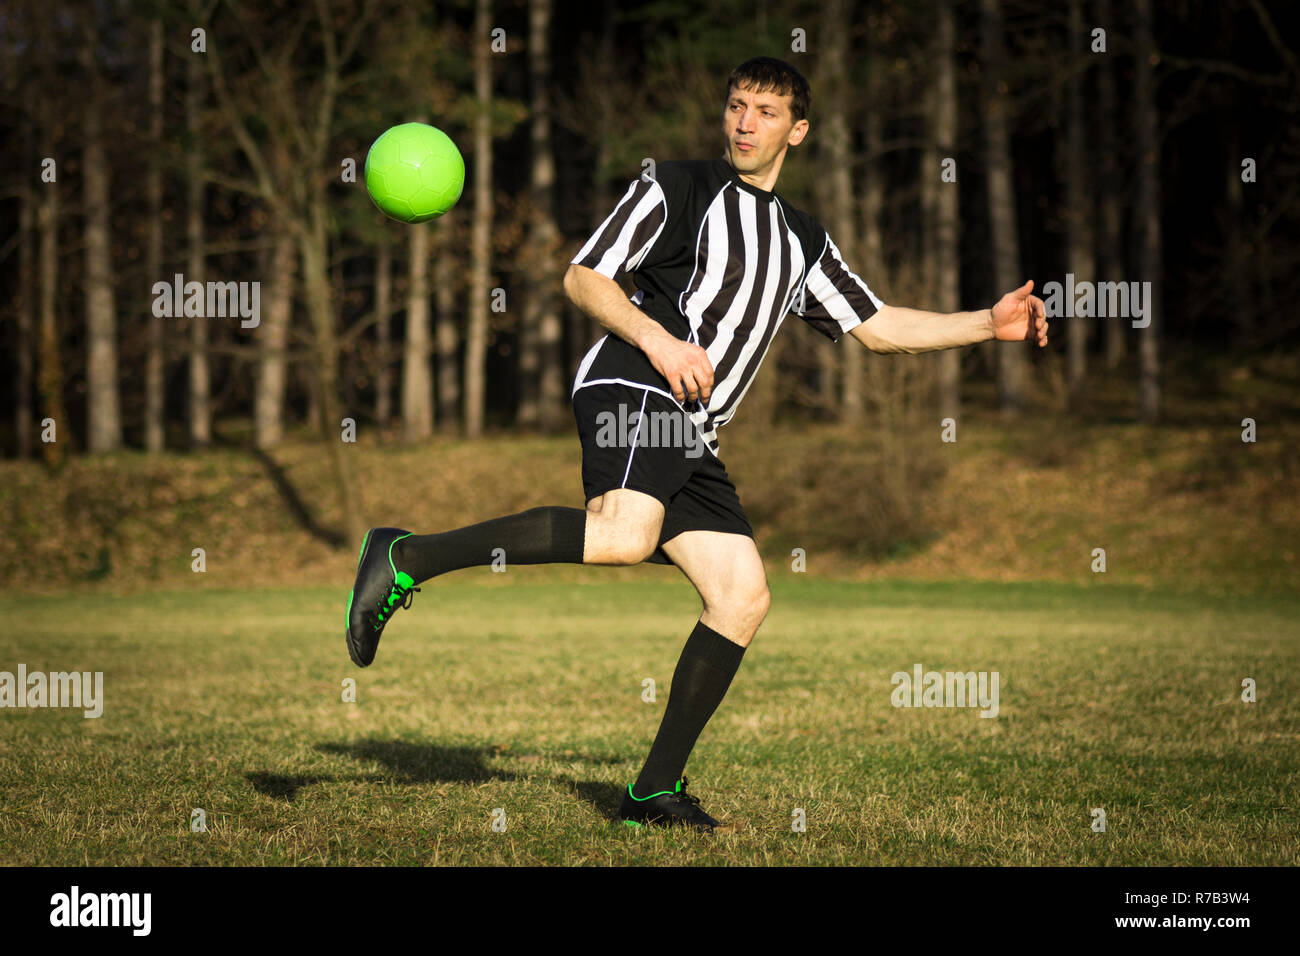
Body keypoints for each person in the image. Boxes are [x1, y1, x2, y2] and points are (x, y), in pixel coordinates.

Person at [345, 56, 1048, 833]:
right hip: (634, 382)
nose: (746, 123)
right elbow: (585, 278)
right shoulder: (675, 186)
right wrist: (660, 341)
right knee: (623, 535)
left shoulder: (803, 239)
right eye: (737, 106)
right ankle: (404, 559)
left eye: (767, 112)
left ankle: (651, 792)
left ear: (797, 130)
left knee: (741, 594)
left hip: (694, 427)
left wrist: (987, 324)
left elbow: (877, 327)